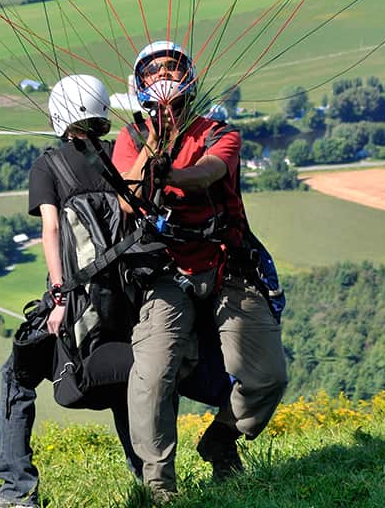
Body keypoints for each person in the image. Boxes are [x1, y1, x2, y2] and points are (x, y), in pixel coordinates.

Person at [112, 41, 289, 501]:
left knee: (268, 375)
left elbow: (206, 174)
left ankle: (222, 439)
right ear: (140, 86)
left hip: (227, 264)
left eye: (172, 69)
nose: (163, 77)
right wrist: (155, 135)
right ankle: (158, 483)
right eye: (154, 73)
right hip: (166, 271)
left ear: (189, 80)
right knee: (152, 375)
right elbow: (123, 196)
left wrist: (166, 171)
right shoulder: (131, 138)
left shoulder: (219, 133)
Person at [0, 74, 143, 508]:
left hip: (75, 303)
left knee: (15, 375)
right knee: (126, 381)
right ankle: (149, 480)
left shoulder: (49, 165)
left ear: (60, 114)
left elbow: (52, 229)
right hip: (127, 304)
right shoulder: (122, 157)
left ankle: (17, 491)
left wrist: (60, 297)